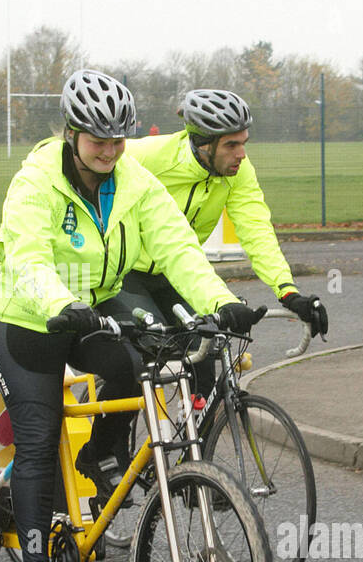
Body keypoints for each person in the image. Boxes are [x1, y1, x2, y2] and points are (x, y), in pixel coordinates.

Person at [0, 70, 263, 562]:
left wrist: (218, 300)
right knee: (38, 436)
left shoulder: (132, 180)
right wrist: (59, 305)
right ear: (71, 134)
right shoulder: (36, 180)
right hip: (22, 314)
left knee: (138, 362)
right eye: (97, 140)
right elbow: (28, 256)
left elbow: (178, 247)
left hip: (88, 304)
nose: (109, 150)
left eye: (117, 140)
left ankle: (100, 452)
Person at [117, 88, 327, 399]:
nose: (241, 154)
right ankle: (107, 446)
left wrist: (288, 291)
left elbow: (256, 230)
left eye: (243, 143)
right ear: (203, 144)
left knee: (206, 355)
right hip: (127, 274)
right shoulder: (150, 156)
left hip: (179, 273)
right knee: (142, 360)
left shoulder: (238, 172)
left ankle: (197, 445)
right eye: (231, 145)